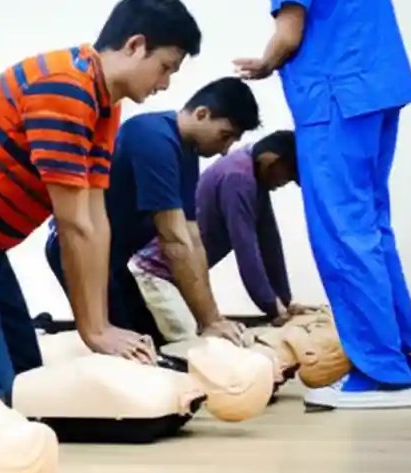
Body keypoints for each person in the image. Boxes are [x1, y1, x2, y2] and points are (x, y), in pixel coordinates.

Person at [0, 0, 202, 430]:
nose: (165, 82)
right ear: (134, 46)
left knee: (26, 379)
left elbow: (95, 219)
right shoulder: (64, 87)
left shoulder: (104, 105)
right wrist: (94, 331)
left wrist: (101, 324)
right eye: (165, 67)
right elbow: (72, 225)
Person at [217, 0, 411, 408]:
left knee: (341, 233)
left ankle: (382, 375)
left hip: (334, 98)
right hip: (379, 91)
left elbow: (289, 30)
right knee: (373, 228)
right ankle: (405, 355)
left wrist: (263, 65)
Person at [44, 77, 261, 347]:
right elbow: (174, 240)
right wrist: (209, 321)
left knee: (152, 341)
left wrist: (214, 318)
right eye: (225, 135)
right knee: (127, 351)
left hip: (112, 260)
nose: (225, 149)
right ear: (202, 114)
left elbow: (191, 237)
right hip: (78, 252)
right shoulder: (154, 137)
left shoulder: (186, 153)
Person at [129, 130, 316, 341]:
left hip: (181, 278)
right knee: (191, 344)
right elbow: (246, 249)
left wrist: (284, 301)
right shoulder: (238, 177)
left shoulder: (254, 175)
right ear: (271, 160)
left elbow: (269, 240)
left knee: (201, 340)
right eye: (288, 175)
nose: (284, 182)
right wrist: (271, 305)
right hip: (155, 273)